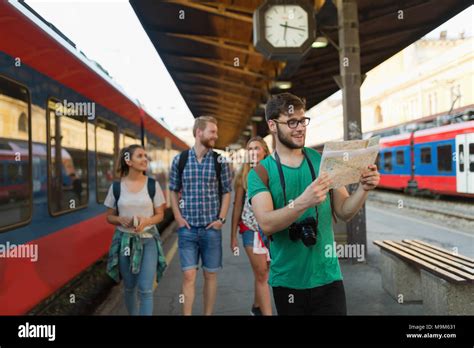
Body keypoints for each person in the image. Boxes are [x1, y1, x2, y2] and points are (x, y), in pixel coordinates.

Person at [248, 93, 380, 315]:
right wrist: (302, 202)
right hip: (287, 281)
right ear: (272, 125)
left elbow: (344, 211)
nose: (300, 128)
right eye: (292, 122)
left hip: (329, 277)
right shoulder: (259, 173)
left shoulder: (323, 161)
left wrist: (364, 190)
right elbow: (267, 223)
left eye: (303, 120)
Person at [169, 116, 232, 315]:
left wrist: (221, 219)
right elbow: (172, 189)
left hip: (210, 229)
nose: (216, 135)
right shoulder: (180, 159)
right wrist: (178, 217)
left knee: (210, 275)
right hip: (187, 229)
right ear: (199, 132)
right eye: (212, 131)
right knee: (189, 275)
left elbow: (227, 191)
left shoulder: (219, 160)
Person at [104, 144, 167, 316]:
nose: (145, 159)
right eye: (140, 156)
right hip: (125, 241)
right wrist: (118, 219)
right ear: (128, 161)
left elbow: (160, 214)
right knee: (130, 287)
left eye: (145, 156)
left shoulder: (152, 185)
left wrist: (147, 220)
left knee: (146, 289)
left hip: (148, 241)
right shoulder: (116, 188)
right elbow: (109, 216)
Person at [230, 136, 272, 316]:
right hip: (250, 230)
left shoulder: (273, 172)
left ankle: (256, 307)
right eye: (250, 149)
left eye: (256, 148)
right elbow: (237, 206)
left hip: (270, 229)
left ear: (264, 151)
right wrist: (233, 236)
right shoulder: (243, 175)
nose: (253, 152)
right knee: (262, 274)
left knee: (264, 273)